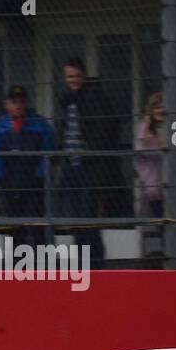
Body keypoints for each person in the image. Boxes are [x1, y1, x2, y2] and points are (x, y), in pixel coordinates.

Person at [55, 57, 116, 265]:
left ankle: (95, 262)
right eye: (69, 77)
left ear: (83, 75)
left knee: (88, 217)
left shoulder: (95, 98)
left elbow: (105, 130)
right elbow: (62, 130)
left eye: (76, 76)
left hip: (89, 166)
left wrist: (93, 151)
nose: (73, 80)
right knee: (75, 219)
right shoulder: (65, 101)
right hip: (71, 165)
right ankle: (81, 261)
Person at [0, 84, 54, 249]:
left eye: (21, 101)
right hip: (10, 184)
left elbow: (48, 151)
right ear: (6, 104)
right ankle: (17, 268)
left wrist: (40, 176)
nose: (18, 105)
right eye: (14, 102)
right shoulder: (0, 126)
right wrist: (1, 178)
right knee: (14, 228)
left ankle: (41, 268)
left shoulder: (39, 124)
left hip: (33, 183)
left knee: (37, 226)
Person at [134, 92, 176, 219]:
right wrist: (149, 129)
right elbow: (142, 148)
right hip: (153, 182)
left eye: (164, 107)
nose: (161, 111)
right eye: (157, 107)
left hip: (175, 180)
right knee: (159, 217)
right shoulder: (144, 126)